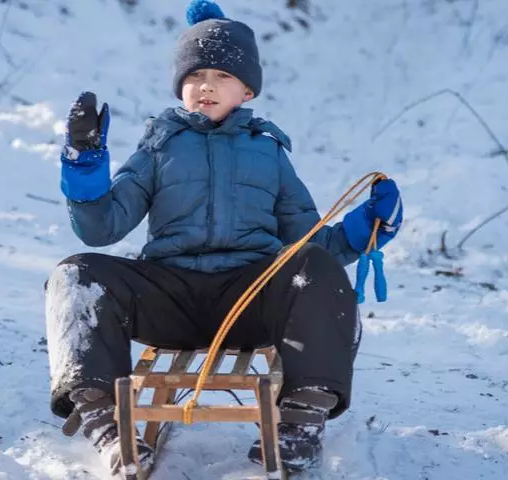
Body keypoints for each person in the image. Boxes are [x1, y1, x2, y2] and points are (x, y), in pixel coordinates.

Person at [44, 0, 403, 475]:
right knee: (77, 274)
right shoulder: (159, 147)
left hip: (249, 298)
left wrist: (368, 227)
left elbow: (312, 243)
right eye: (194, 76)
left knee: (315, 269)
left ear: (248, 89)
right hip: (169, 295)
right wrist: (85, 165)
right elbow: (101, 227)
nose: (205, 86)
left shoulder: (269, 154)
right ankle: (106, 424)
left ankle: (298, 425)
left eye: (220, 76)